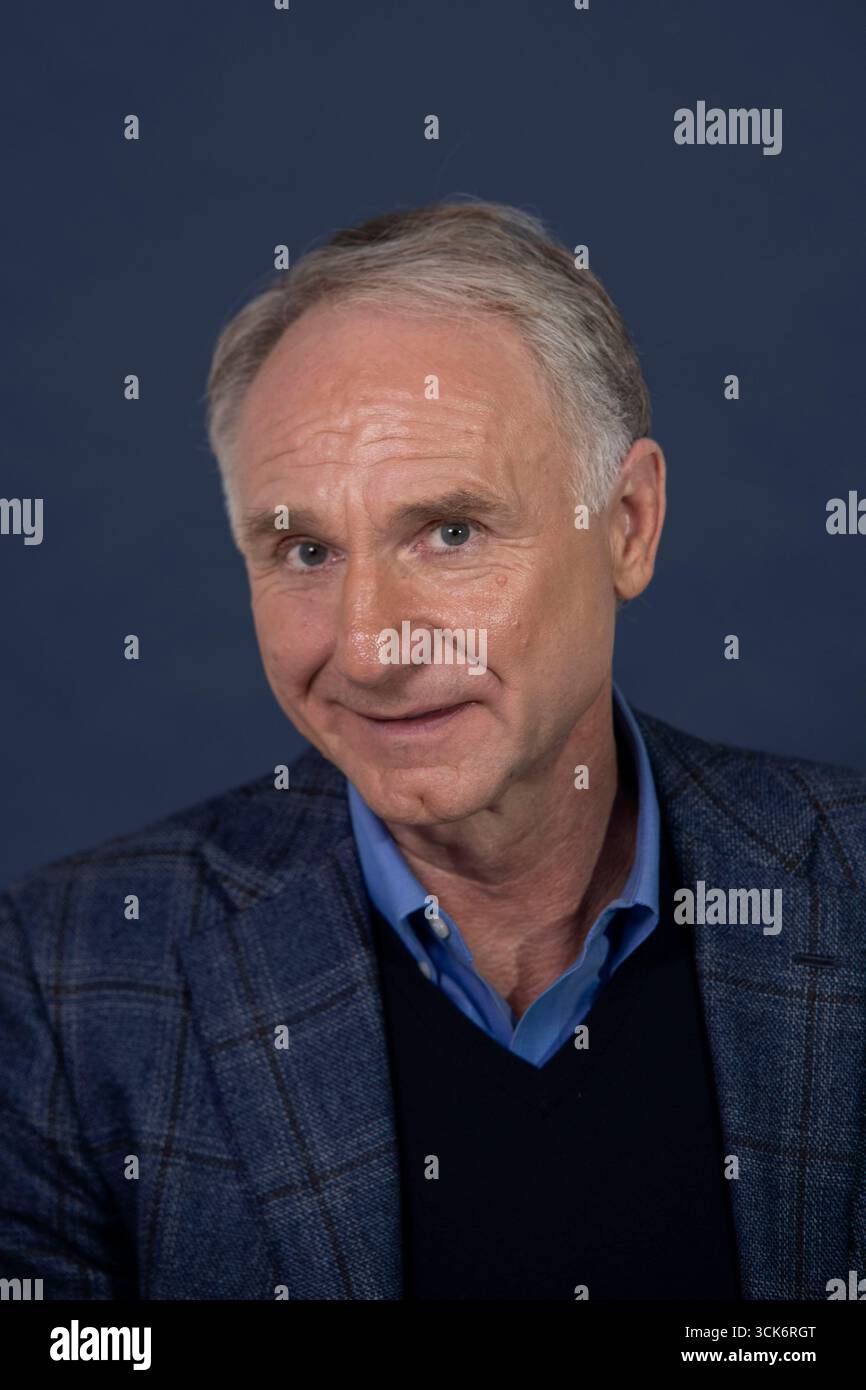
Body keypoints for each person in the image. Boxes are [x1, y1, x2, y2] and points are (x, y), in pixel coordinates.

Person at [2, 198, 864, 1300]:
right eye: (304, 548)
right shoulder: (65, 979)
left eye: (448, 531)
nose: (366, 646)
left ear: (628, 524)